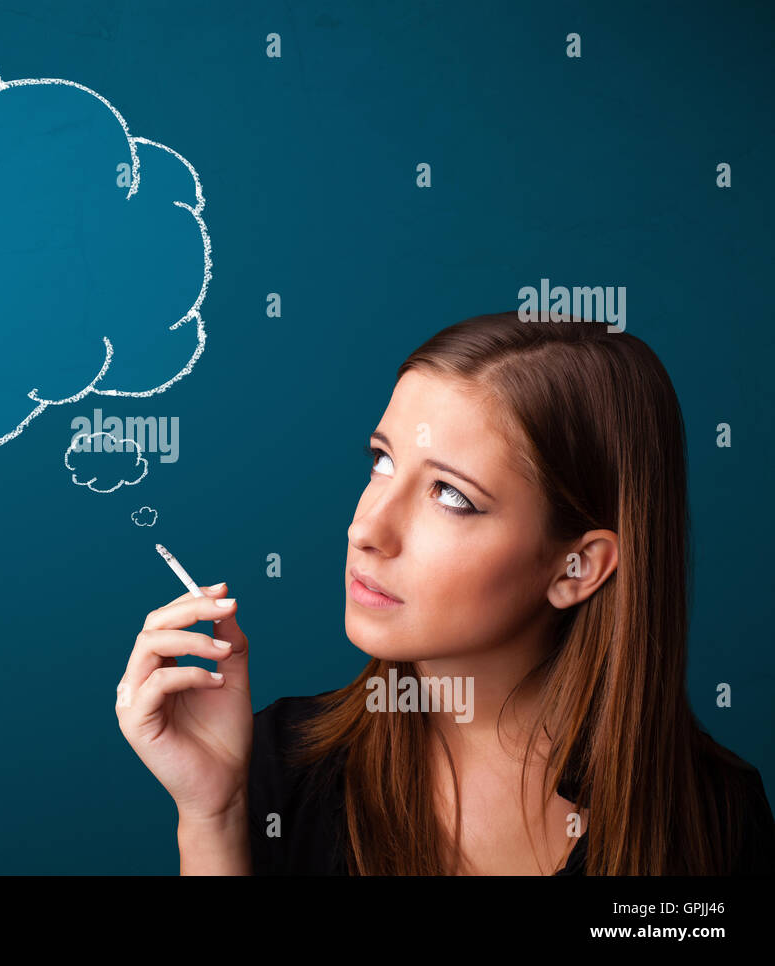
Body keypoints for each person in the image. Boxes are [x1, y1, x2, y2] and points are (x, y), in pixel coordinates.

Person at [116, 311, 775, 875]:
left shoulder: (715, 818)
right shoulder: (279, 773)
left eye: (451, 495)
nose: (366, 528)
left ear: (577, 568)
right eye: (382, 460)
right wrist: (215, 818)